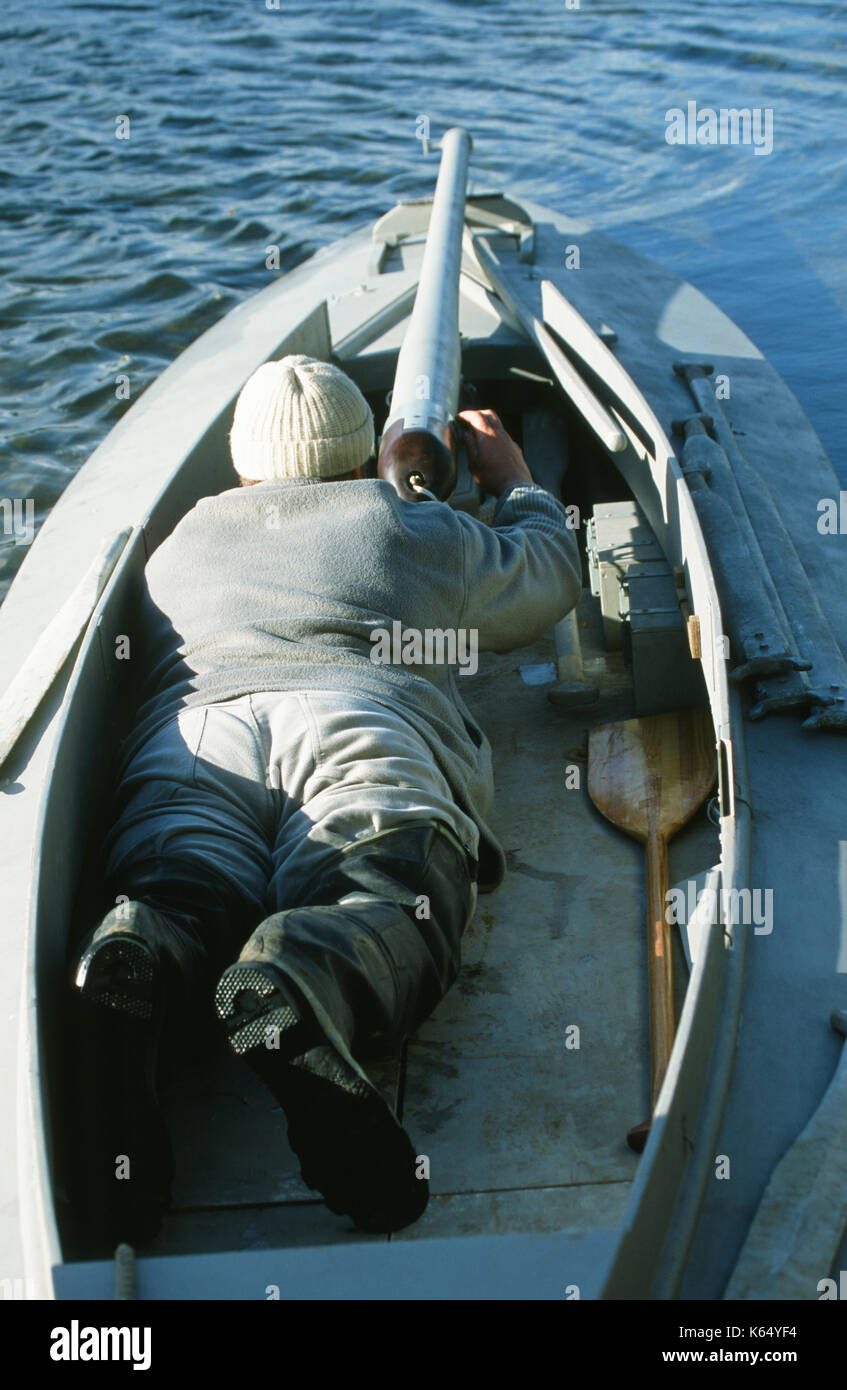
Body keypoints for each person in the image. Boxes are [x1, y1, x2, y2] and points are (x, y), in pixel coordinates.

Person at [71, 355, 581, 1246]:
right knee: (384, 892)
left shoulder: (177, 545)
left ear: (239, 471)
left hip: (195, 740)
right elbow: (546, 580)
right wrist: (519, 487)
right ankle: (303, 970)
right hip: (356, 719)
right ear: (360, 462)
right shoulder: (404, 523)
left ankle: (145, 947)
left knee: (185, 883)